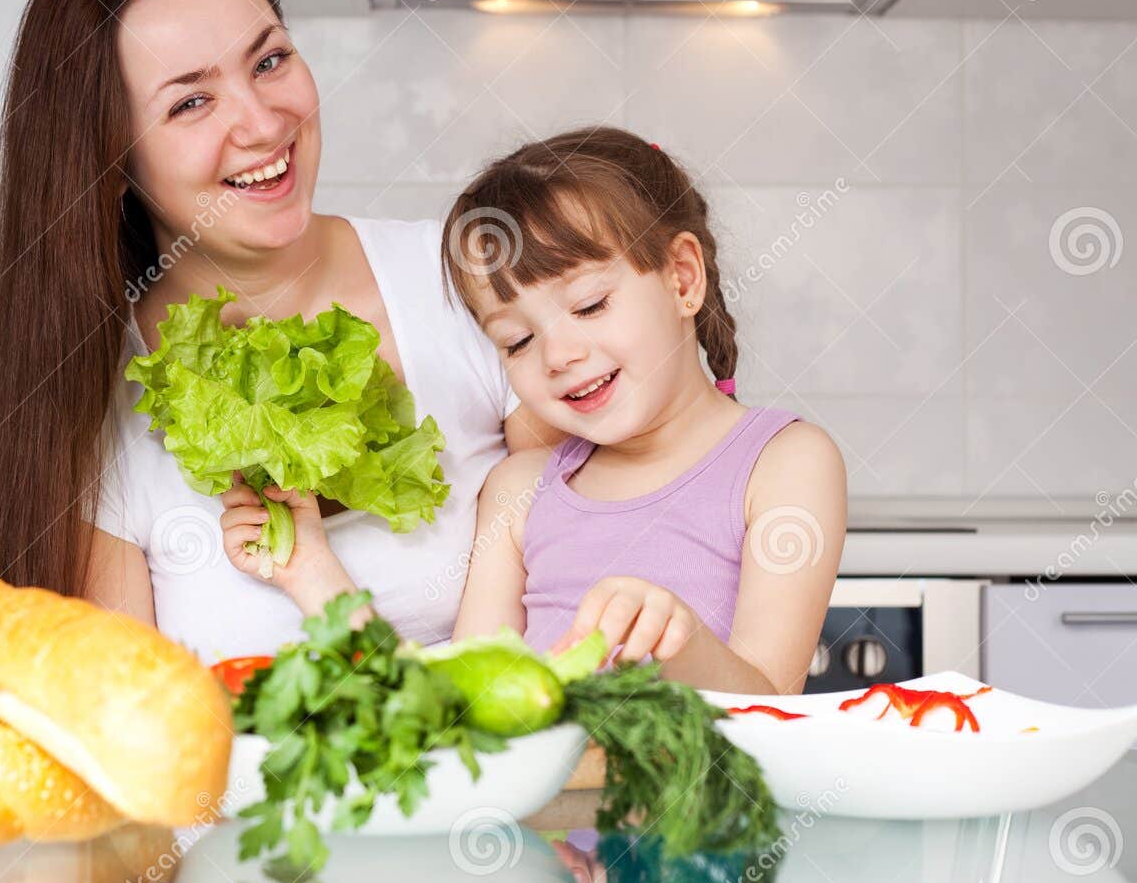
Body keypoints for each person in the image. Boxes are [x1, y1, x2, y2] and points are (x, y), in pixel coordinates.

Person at [0, 0, 554, 663]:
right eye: (190, 102)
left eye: (269, 60)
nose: (262, 121)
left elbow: (588, 587)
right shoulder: (93, 401)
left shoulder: (467, 283)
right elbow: (135, 736)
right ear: (110, 158)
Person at [229, 126, 846, 694]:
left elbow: (774, 710)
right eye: (517, 341)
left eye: (589, 305)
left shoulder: (785, 463)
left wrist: (677, 643)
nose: (558, 354)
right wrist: (310, 570)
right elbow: (450, 713)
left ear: (683, 279)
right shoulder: (520, 492)